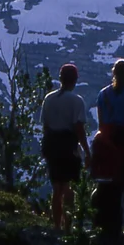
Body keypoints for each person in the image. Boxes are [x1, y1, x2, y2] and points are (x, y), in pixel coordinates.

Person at [91, 58, 124, 242]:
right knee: (119, 184)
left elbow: (101, 122)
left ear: (114, 73)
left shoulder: (103, 94)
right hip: (122, 141)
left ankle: (98, 222)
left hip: (105, 139)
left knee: (103, 182)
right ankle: (116, 228)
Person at [39, 63, 91, 231]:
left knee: (56, 187)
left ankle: (56, 225)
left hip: (52, 143)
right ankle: (68, 225)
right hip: (68, 144)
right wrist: (87, 150)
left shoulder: (49, 98)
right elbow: (78, 127)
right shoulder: (77, 101)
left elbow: (45, 124)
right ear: (75, 80)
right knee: (68, 186)